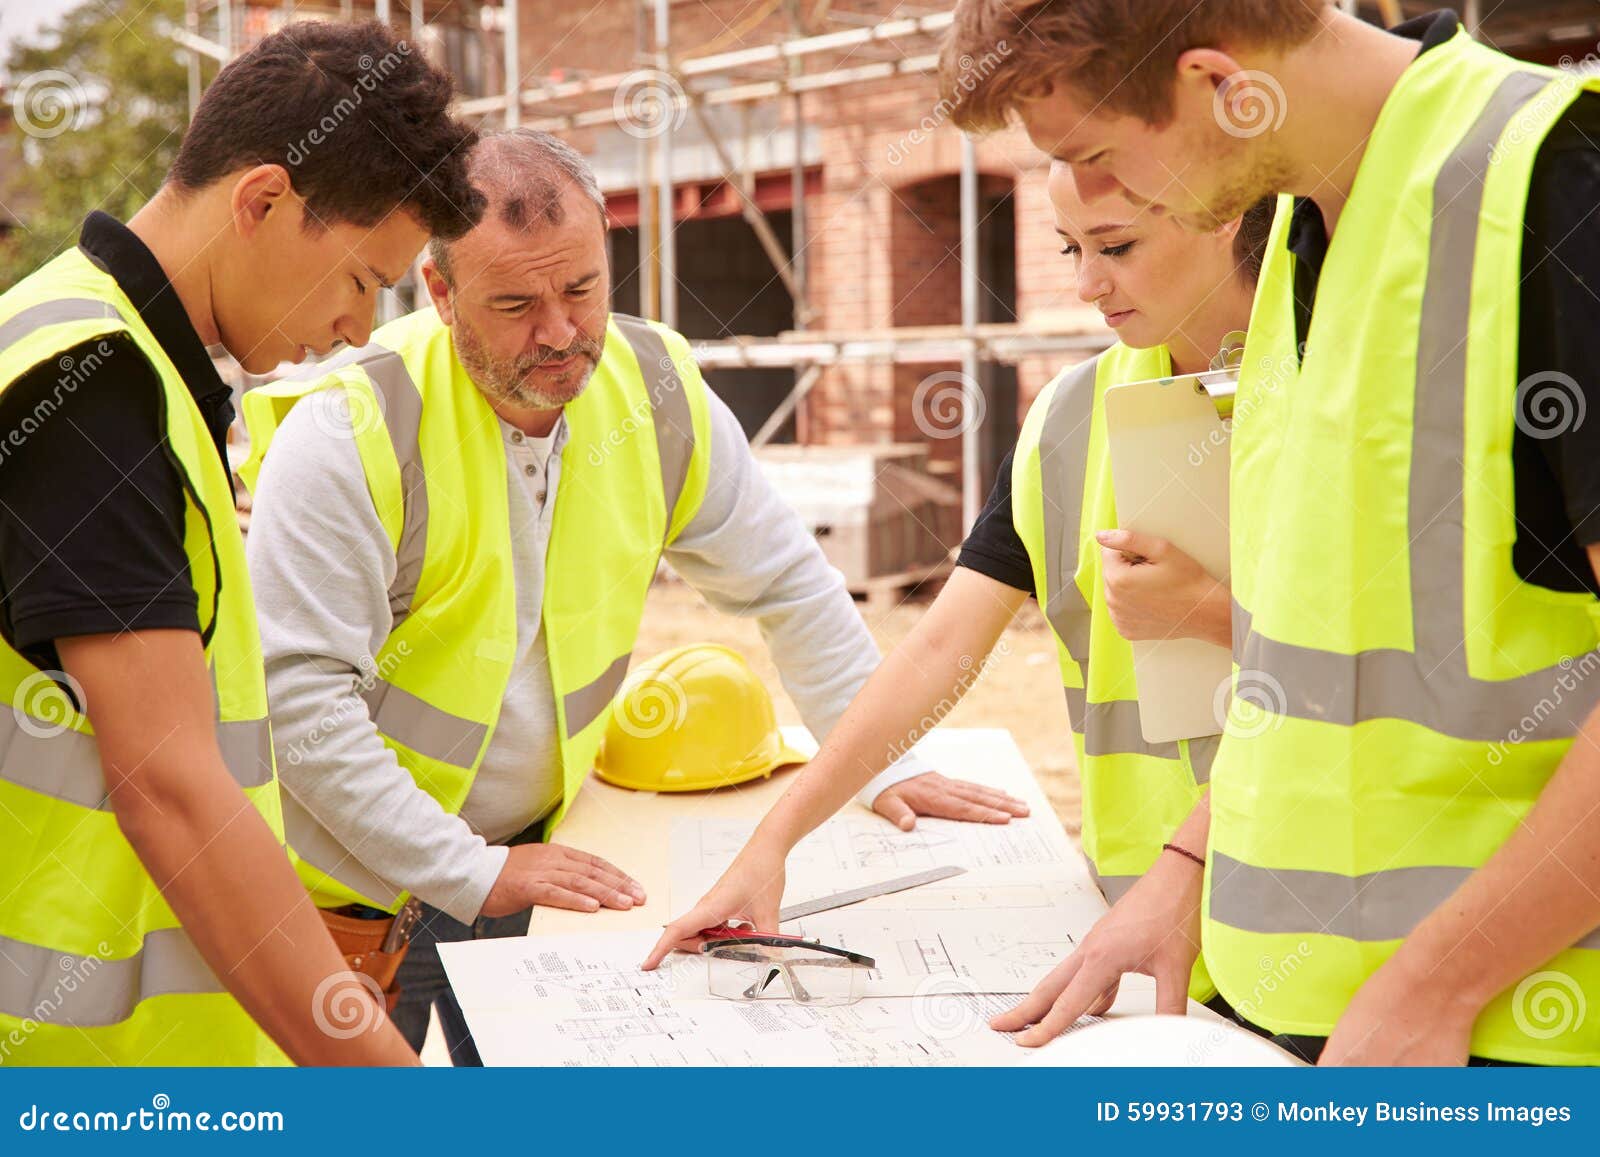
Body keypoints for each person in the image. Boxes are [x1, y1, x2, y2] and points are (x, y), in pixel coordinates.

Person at [237, 128, 1028, 1066]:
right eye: (517, 303)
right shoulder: (351, 430)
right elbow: (302, 710)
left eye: (580, 290)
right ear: (440, 293)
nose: (562, 332)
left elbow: (788, 581)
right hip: (355, 889)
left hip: (541, 857)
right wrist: (472, 870)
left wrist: (879, 760)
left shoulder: (653, 391)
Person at [939, 0, 1600, 1065]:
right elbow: (1321, 658)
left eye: (1100, 157)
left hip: (1513, 1040)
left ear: (1217, 81)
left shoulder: (1554, 186)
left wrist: (1438, 983)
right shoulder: (1301, 236)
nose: (1099, 202)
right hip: (1327, 1026)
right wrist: (1185, 873)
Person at [643, 165, 1272, 1025]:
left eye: (1117, 246)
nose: (1087, 284)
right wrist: (777, 839)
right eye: (1071, 248)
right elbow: (939, 648)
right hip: (1133, 921)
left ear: (1222, 209)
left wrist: (1208, 615)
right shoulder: (1069, 416)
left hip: (1303, 923)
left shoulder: (1331, 391)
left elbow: (1369, 664)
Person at [0, 20, 483, 1065]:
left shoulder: (112, 360)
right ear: (262, 202)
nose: (361, 329)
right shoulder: (95, 392)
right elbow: (170, 787)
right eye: (361, 279)